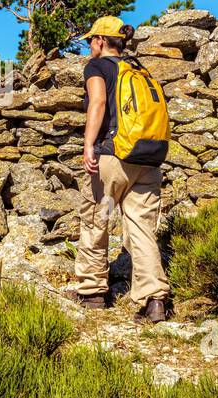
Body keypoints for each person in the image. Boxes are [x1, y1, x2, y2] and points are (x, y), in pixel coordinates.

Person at [66, 16, 170, 323]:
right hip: (147, 161)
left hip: (111, 158)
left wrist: (88, 146)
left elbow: (97, 103)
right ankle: (155, 302)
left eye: (90, 41)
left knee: (96, 221)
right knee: (141, 229)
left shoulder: (97, 67)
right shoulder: (138, 70)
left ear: (100, 41)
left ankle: (93, 292)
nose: (88, 47)